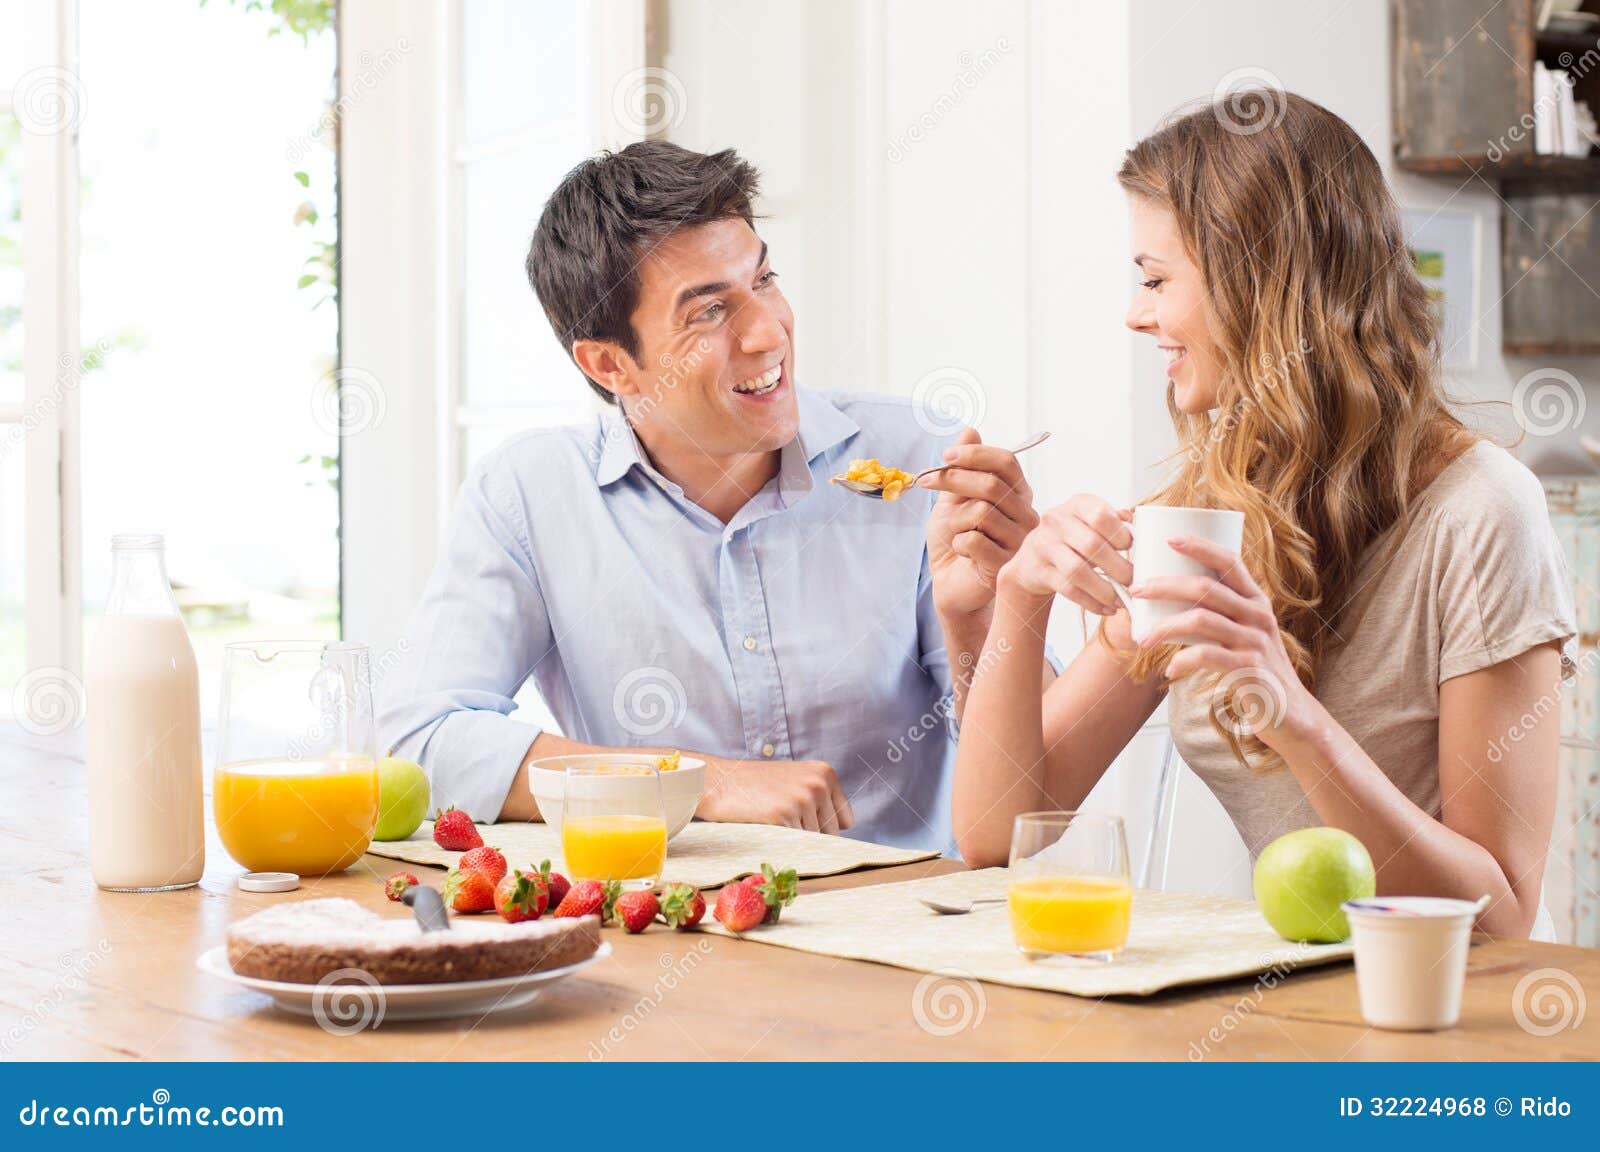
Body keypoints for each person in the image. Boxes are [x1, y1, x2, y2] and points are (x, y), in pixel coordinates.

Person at [937, 92, 1575, 936]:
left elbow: (1499, 920)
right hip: (1271, 1013)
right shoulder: (1202, 513)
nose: (1136, 314)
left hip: (1437, 1027)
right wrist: (1014, 596)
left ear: (1259, 285)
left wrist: (1299, 721)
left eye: (1157, 280)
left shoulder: (1482, 511)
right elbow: (991, 834)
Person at [380, 141, 1046, 851]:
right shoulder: (529, 495)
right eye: (708, 313)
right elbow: (423, 741)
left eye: (764, 279)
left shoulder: (921, 461)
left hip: (903, 928)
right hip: (667, 937)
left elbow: (1024, 784)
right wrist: (701, 782)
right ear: (611, 365)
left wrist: (987, 615)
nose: (767, 332)